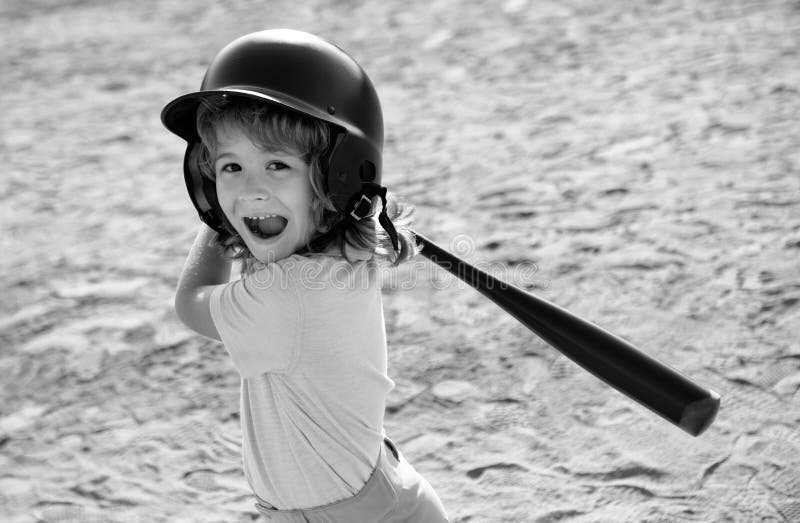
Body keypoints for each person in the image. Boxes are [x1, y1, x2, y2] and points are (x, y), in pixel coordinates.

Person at [161, 29, 450, 522]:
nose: (250, 190)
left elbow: (191, 305)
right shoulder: (337, 249)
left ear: (335, 176)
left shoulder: (288, 293)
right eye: (230, 167)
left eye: (276, 164)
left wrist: (216, 218)